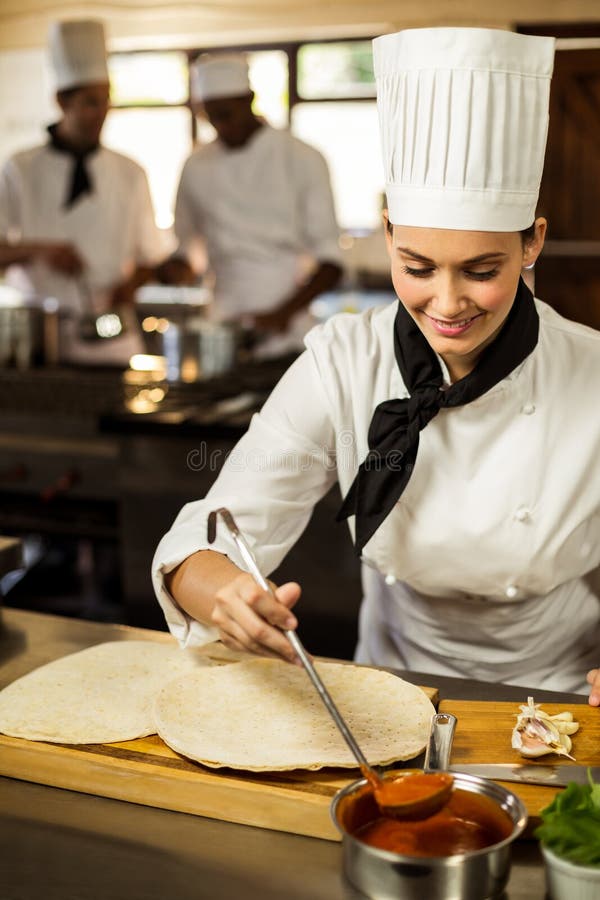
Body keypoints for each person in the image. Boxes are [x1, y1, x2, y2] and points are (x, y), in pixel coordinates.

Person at [152, 28, 600, 705]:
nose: (446, 304)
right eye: (416, 268)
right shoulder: (343, 362)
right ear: (387, 234)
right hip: (394, 690)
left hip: (562, 689)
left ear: (531, 242)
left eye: (482, 271)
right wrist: (226, 594)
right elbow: (212, 530)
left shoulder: (591, 371)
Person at [0, 20, 171, 365]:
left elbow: (149, 259)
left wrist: (128, 287)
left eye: (106, 100)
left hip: (113, 341)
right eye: (91, 102)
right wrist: (42, 251)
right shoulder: (19, 168)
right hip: (38, 341)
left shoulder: (130, 172)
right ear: (62, 101)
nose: (102, 112)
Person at [159, 52, 343, 355]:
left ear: (249, 100)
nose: (220, 126)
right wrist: (175, 268)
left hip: (290, 332)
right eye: (211, 116)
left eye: (226, 114)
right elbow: (185, 247)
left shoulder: (302, 157)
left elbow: (331, 263)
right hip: (222, 326)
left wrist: (281, 315)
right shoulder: (196, 165)